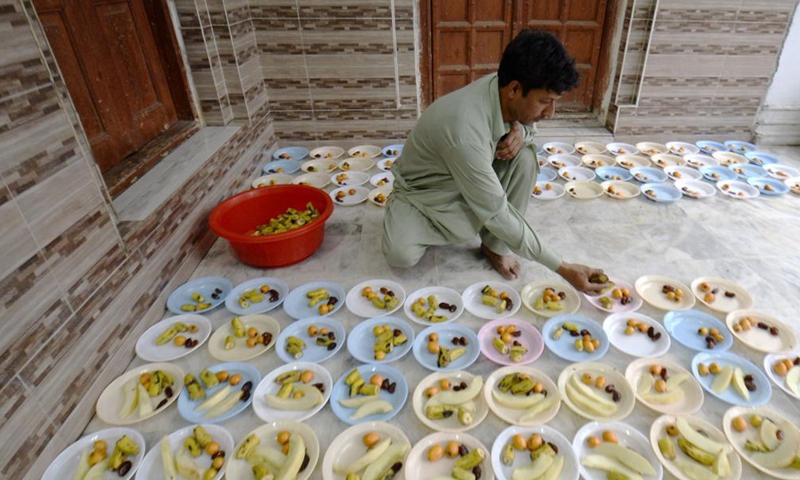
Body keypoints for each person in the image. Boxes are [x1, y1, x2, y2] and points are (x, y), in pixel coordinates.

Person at [382, 29, 606, 294]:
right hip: (423, 194)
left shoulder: (501, 86)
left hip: (468, 173)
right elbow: (496, 211)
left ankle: (494, 246)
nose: (550, 112)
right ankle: (426, 218)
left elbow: (529, 126)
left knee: (524, 157)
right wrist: (563, 268)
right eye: (545, 102)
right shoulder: (465, 129)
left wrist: (521, 131)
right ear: (514, 89)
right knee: (401, 254)